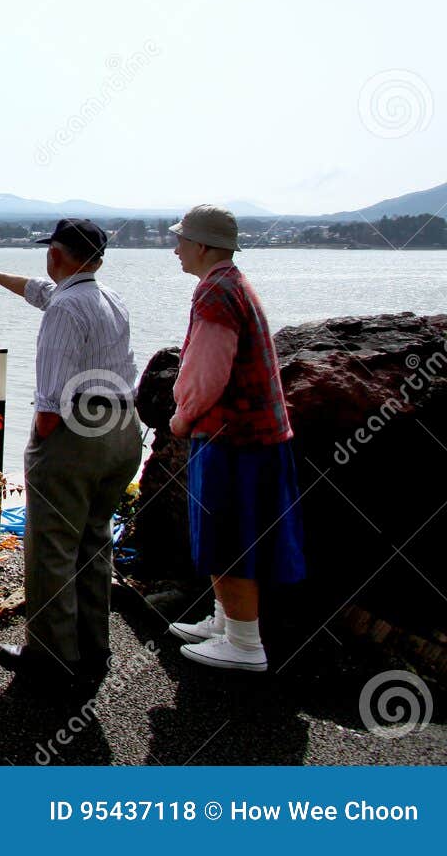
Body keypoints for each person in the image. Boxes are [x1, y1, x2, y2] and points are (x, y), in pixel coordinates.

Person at [0, 219, 142, 695]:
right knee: (93, 539)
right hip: (124, 430)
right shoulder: (108, 298)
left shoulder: (65, 310)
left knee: (51, 546)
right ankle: (92, 644)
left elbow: (49, 401)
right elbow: (41, 291)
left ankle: (51, 656)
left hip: (76, 434)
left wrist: (43, 441)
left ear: (56, 254)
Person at [166, 204, 305, 672]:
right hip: (257, 435)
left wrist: (182, 416)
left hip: (233, 438)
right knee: (234, 529)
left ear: (202, 246)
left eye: (181, 240)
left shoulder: (214, 293)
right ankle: (226, 621)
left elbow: (207, 372)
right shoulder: (233, 284)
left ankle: (245, 643)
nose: (176, 248)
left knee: (227, 532)